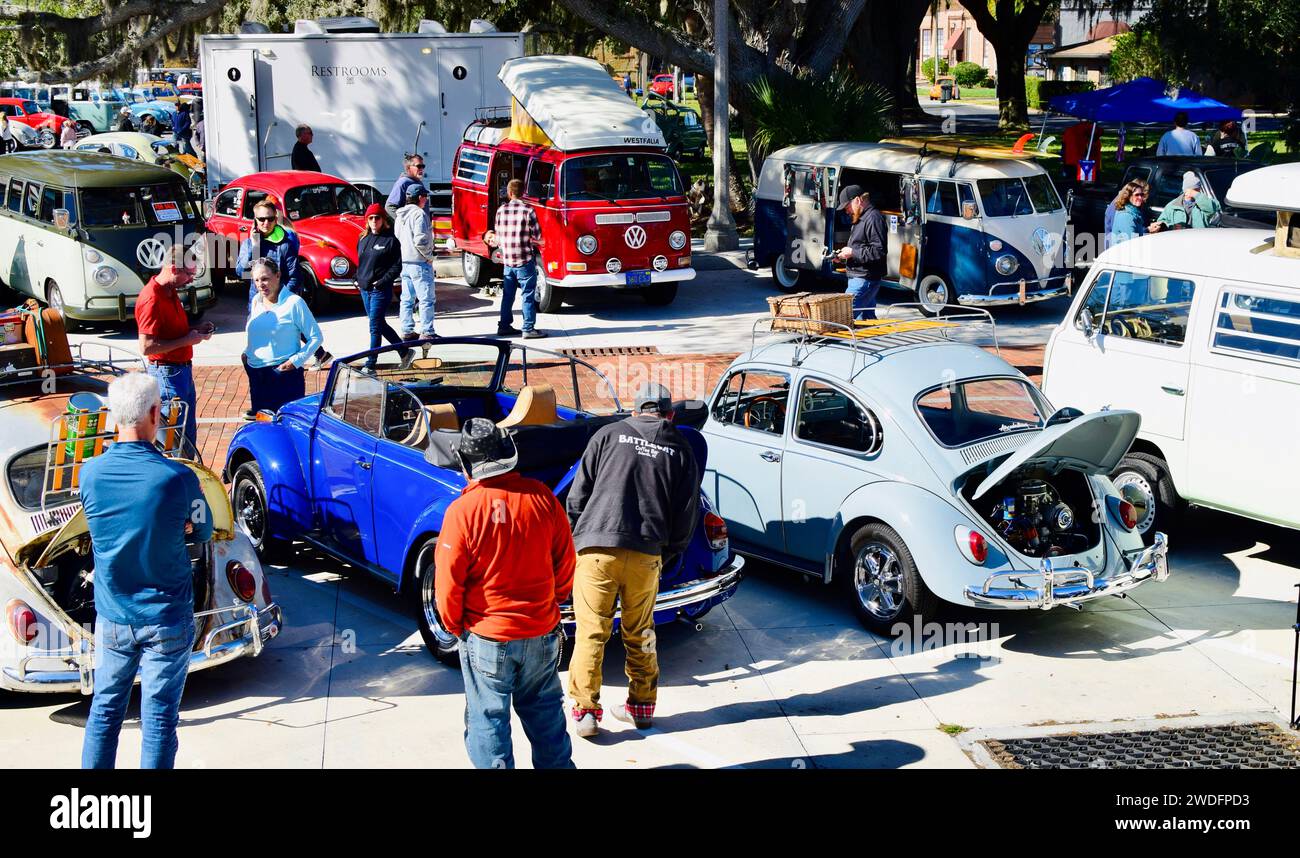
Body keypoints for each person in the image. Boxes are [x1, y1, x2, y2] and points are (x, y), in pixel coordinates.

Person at [79, 371, 214, 769]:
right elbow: (203, 528)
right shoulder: (178, 479)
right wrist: (184, 522)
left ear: (111, 416)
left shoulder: (90, 473)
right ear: (156, 413)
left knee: (104, 713)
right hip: (167, 617)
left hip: (113, 615)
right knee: (158, 720)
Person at [435, 418, 577, 769]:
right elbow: (566, 561)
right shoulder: (542, 498)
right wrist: (553, 601)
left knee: (488, 720)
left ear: (468, 466)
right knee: (546, 715)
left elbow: (449, 582)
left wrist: (456, 627)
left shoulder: (463, 512)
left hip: (488, 636)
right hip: (542, 631)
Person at [567, 383, 700, 737]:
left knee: (591, 633)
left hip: (597, 547)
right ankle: (641, 707)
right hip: (646, 553)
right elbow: (686, 514)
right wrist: (667, 552)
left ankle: (585, 713)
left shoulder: (608, 434)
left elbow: (578, 495)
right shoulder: (680, 448)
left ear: (634, 409)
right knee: (641, 632)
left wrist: (577, 538)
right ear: (670, 414)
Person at [135, 246, 213, 452]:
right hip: (167, 375)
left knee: (186, 435)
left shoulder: (170, 291)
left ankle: (188, 473)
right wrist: (188, 339)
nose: (190, 279)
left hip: (180, 372)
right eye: (189, 274)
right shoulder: (152, 298)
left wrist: (195, 331)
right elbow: (146, 346)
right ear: (174, 268)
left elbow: (170, 331)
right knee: (174, 438)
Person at [242, 257, 323, 414]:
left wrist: (295, 361)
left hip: (283, 375)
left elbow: (316, 337)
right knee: (264, 427)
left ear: (278, 275)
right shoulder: (256, 301)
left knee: (286, 425)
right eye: (256, 280)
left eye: (265, 279)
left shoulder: (294, 303)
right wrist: (247, 353)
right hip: (257, 375)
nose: (260, 284)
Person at [485, 178, 546, 339]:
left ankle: (504, 326)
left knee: (508, 295)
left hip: (507, 260)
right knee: (527, 294)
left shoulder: (500, 210)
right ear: (523, 192)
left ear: (509, 193)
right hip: (524, 259)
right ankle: (528, 328)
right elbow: (538, 235)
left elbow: (498, 235)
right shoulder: (528, 210)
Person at [354, 203, 410, 370]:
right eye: (370, 218)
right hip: (365, 289)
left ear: (383, 220)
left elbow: (396, 266)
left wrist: (382, 281)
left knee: (374, 327)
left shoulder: (391, 240)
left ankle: (371, 364)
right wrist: (356, 279)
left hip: (380, 290)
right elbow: (361, 263)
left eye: (377, 218)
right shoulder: (362, 239)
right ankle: (404, 352)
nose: (373, 221)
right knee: (379, 324)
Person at [834, 184, 887, 320]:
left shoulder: (873, 218)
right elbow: (861, 247)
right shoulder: (861, 217)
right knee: (866, 322)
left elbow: (879, 251)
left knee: (841, 318)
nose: (847, 211)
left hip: (864, 279)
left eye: (848, 206)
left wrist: (852, 252)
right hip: (861, 277)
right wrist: (843, 256)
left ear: (858, 200)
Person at [394, 183, 438, 343]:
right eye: (425, 196)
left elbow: (397, 236)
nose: (426, 199)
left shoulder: (400, 215)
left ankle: (407, 330)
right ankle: (427, 331)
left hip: (405, 261)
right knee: (426, 298)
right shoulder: (419, 214)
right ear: (420, 197)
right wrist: (429, 255)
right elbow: (421, 239)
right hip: (419, 262)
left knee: (407, 298)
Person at [1151, 171, 1221, 231]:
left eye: (1198, 189)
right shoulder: (1172, 206)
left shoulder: (1204, 203)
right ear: (1186, 190)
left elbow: (1211, 209)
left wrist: (1197, 195)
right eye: (1195, 189)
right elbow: (1161, 223)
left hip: (1199, 240)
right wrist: (1172, 227)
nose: (1197, 192)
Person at [385, 153, 429, 221]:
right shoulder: (403, 182)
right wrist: (405, 222)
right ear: (408, 168)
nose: (422, 169)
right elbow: (389, 207)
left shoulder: (418, 181)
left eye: (423, 166)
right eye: (419, 166)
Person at [1107, 179, 1149, 248]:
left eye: (1141, 194)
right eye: (1137, 195)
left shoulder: (1134, 212)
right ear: (1128, 196)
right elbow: (1132, 242)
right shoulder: (1126, 216)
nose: (1140, 197)